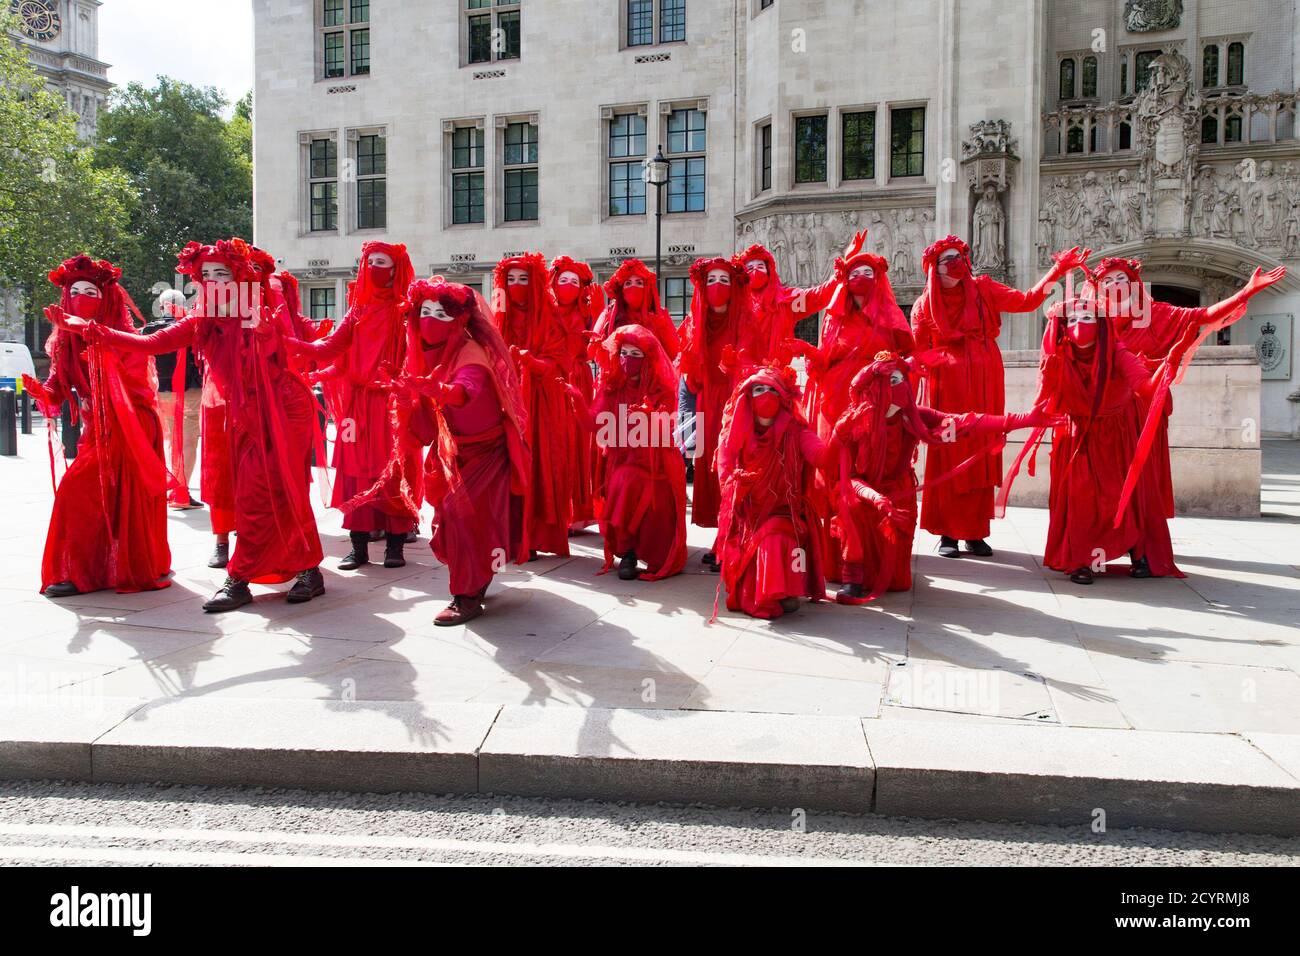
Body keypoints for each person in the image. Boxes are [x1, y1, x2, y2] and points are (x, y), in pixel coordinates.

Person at [61, 238, 326, 612]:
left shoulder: (256, 308)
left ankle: (251, 577)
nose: (214, 280)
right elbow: (152, 342)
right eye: (206, 274)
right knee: (256, 494)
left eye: (222, 272)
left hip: (284, 410)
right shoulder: (201, 319)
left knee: (279, 491)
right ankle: (299, 569)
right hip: (246, 414)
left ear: (238, 275)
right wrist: (93, 329)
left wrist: (258, 320)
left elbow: (271, 344)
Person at [829, 351, 1056, 604]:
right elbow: (841, 476)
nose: (901, 387)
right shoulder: (852, 422)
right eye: (891, 381)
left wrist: (1025, 419)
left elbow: (968, 421)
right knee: (854, 510)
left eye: (900, 379)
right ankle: (852, 574)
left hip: (898, 494)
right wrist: (875, 498)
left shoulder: (913, 417)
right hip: (860, 494)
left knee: (898, 583)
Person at [911, 237, 1089, 559]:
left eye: (958, 256)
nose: (954, 263)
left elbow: (1027, 301)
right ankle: (949, 533)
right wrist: (931, 359)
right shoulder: (925, 305)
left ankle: (976, 532)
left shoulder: (984, 289)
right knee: (951, 449)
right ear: (933, 270)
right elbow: (916, 351)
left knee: (983, 447)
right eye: (946, 260)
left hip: (986, 377)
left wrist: (1057, 270)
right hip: (948, 384)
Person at [1086, 257, 1286, 520]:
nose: (1114, 286)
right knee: (1105, 476)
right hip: (1104, 411)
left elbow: (1203, 316)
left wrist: (1245, 292)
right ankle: (1108, 535)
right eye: (1107, 281)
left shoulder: (1159, 313)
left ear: (1134, 283)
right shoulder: (1090, 319)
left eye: (1121, 279)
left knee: (1143, 473)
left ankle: (1144, 539)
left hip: (1143, 407)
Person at [25, 255, 172, 597]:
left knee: (107, 495)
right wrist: (40, 392)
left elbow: (130, 382)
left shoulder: (123, 335)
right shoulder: (66, 341)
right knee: (88, 495)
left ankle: (130, 566)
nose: (80, 298)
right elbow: (56, 389)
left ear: (106, 298)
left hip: (132, 425)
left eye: (89, 291)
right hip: (99, 430)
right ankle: (86, 570)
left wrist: (93, 341)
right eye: (74, 291)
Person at [387, 278, 529, 625]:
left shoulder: (470, 351)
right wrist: (409, 395)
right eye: (425, 312)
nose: (430, 320)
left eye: (441, 314)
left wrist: (441, 390)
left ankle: (465, 597)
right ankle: (475, 579)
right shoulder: (424, 352)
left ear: (460, 319)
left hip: (487, 452)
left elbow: (468, 388)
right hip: (452, 452)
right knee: (454, 522)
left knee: (463, 518)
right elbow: (421, 416)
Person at [1009, 298, 1177, 585]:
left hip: (1116, 434)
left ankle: (1139, 552)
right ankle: (1081, 559)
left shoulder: (1118, 351)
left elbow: (1143, 385)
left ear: (1100, 325)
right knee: (1080, 497)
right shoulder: (1058, 356)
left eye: (1087, 319)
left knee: (1125, 494)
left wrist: (1164, 371)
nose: (1078, 325)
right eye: (1072, 320)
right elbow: (1044, 397)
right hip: (1076, 436)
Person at [287, 242, 415, 570]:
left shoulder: (406, 309)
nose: (374, 267)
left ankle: (395, 545)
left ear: (395, 268)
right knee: (353, 472)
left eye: (381, 262)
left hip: (391, 403)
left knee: (391, 471)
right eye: (370, 262)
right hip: (357, 405)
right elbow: (330, 346)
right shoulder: (358, 310)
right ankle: (358, 547)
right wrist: (291, 344)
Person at [492, 252, 588, 559]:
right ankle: (510, 533)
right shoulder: (500, 316)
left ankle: (533, 536)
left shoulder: (549, 315)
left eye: (523, 279)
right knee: (506, 466)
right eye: (511, 279)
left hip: (541, 404)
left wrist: (533, 363)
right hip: (505, 399)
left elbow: (561, 360)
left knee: (537, 466)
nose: (517, 285)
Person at [715, 366, 831, 620]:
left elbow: (822, 456)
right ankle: (773, 590)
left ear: (783, 397)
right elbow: (724, 468)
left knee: (775, 535)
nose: (765, 395)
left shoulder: (797, 431)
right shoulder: (735, 434)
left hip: (785, 513)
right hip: (748, 516)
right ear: (748, 397)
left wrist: (841, 432)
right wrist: (735, 483)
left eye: (772, 390)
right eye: (758, 389)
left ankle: (781, 591)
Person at [591, 324, 687, 581]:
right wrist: (576, 402)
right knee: (625, 481)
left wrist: (651, 417)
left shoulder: (660, 388)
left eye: (635, 354)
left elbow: (671, 422)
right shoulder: (612, 386)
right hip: (625, 460)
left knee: (657, 493)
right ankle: (628, 552)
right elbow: (595, 420)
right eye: (624, 353)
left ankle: (655, 553)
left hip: (659, 462)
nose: (627, 360)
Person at [676, 256, 752, 556]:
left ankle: (731, 539)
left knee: (733, 468)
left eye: (724, 280)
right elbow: (688, 376)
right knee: (711, 472)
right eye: (711, 280)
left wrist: (737, 365)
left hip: (736, 404)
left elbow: (752, 358)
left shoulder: (745, 319)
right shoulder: (695, 322)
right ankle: (723, 536)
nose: (717, 287)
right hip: (707, 405)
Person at [547, 255, 604, 530]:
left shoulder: (588, 312)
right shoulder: (545, 311)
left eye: (574, 282)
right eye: (563, 280)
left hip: (578, 379)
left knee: (577, 442)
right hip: (551, 379)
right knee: (554, 441)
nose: (568, 286)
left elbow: (597, 347)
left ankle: (578, 510)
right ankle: (556, 508)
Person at [738, 243, 837, 364]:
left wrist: (839, 276)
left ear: (769, 271)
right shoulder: (739, 304)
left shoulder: (787, 301)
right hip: (747, 373)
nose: (755, 271)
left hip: (779, 372)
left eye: (760, 266)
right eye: (750, 268)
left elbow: (817, 296)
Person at [592, 258, 680, 361]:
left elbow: (675, 352)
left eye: (639, 283)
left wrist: (661, 327)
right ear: (622, 290)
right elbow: (594, 352)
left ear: (646, 288)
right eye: (628, 283)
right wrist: (596, 314)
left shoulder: (659, 315)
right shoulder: (610, 315)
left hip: (651, 375)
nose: (634, 287)